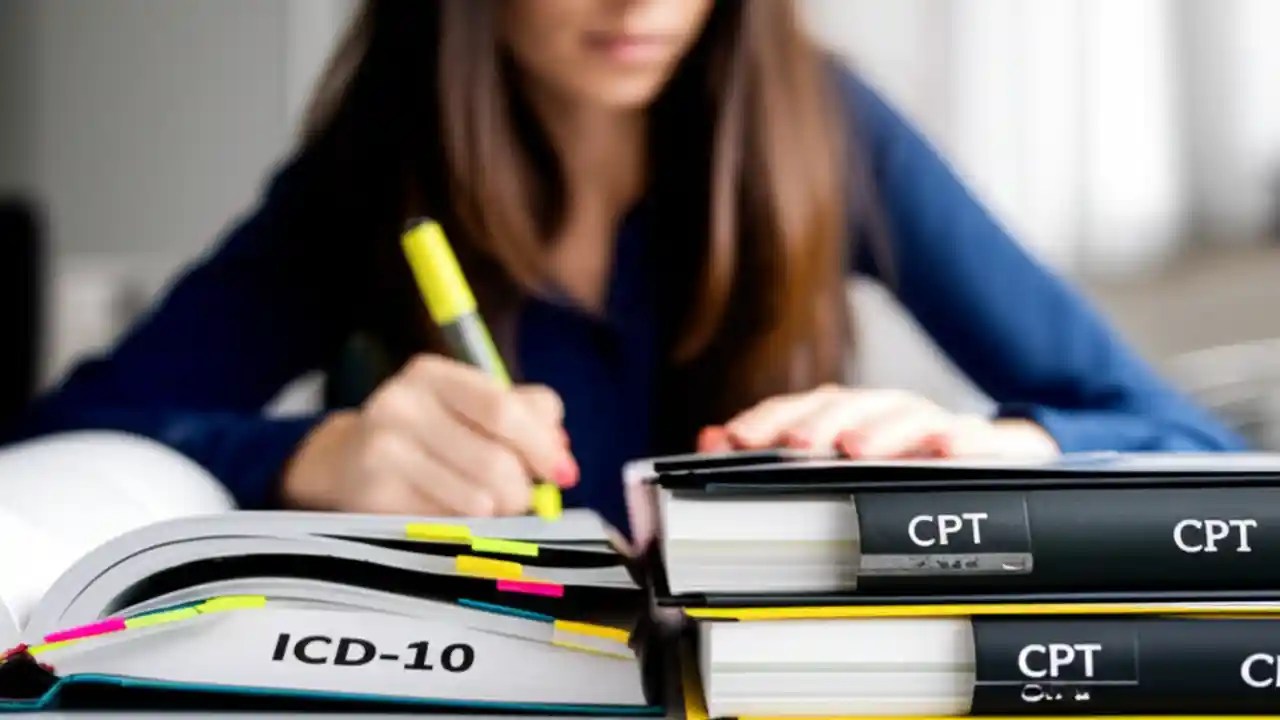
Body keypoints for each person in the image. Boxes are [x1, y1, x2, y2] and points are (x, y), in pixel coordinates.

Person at [6, 0, 1246, 535]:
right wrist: (308, 459)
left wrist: (1000, 450)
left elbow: (1185, 441)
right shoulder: (376, 167)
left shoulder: (827, 128)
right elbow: (70, 430)